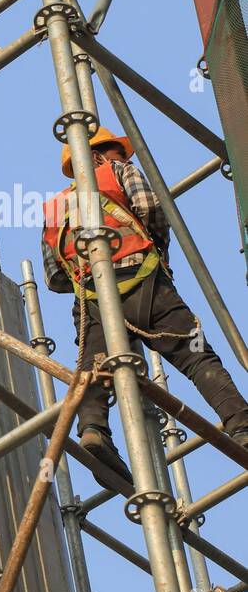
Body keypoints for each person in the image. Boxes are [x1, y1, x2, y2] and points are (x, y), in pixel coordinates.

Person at [42, 126, 248, 486]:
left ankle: (93, 432)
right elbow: (150, 207)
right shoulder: (120, 172)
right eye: (118, 153)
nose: (125, 158)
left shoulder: (56, 207)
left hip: (93, 302)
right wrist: (154, 247)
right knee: (196, 355)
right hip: (147, 284)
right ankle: (243, 427)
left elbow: (53, 277)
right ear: (98, 156)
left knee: (95, 370)